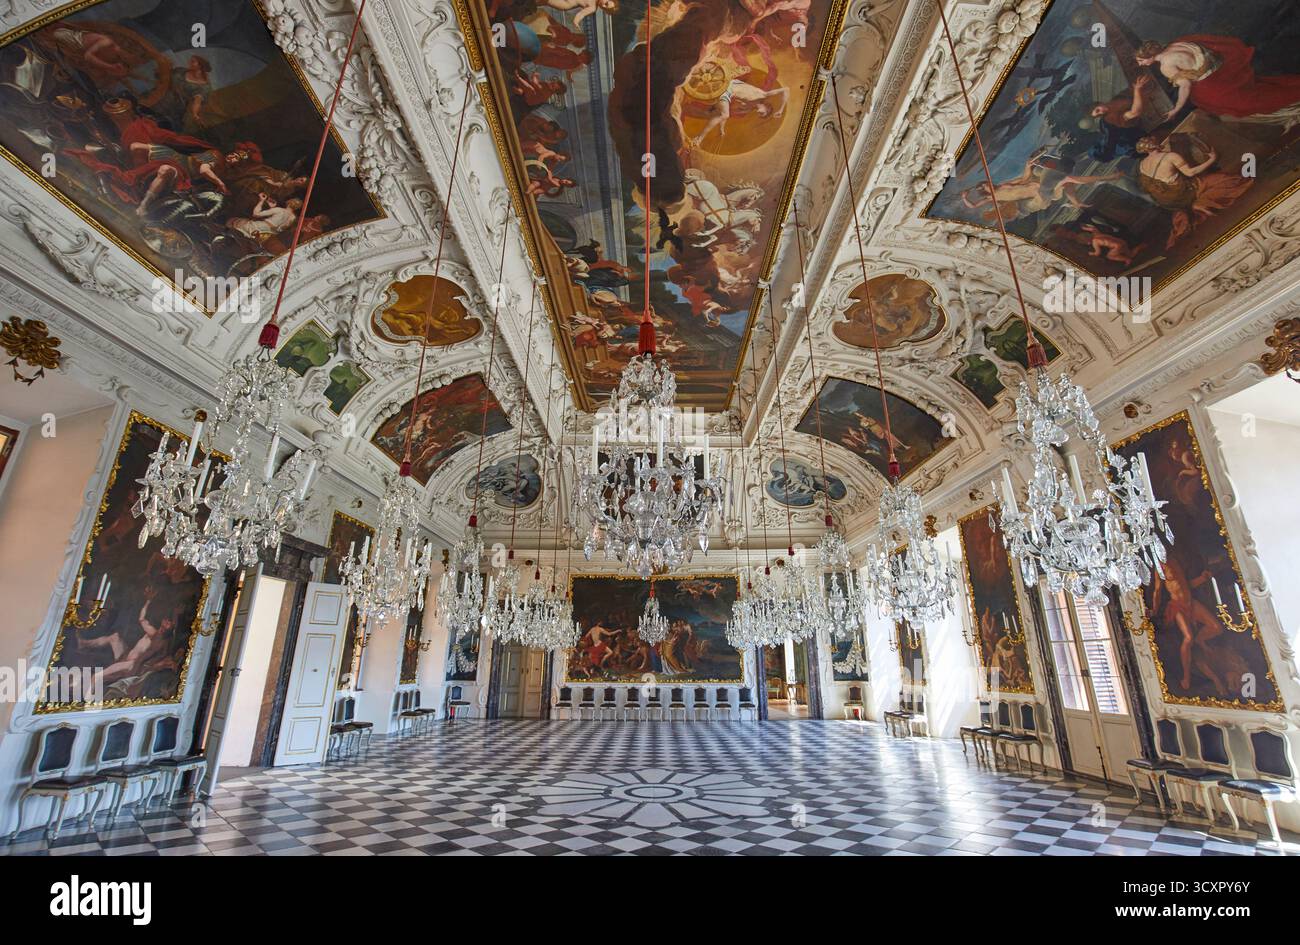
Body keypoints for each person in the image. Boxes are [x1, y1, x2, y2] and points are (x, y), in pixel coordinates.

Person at [1136, 35, 1300, 129]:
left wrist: (1176, 109)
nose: (1141, 64)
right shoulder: (1177, 44)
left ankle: (1291, 104)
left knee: (1242, 103)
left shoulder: (1166, 66)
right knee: (1257, 90)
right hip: (1221, 72)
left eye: (1141, 61)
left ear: (1149, 56)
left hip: (1215, 85)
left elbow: (1185, 85)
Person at [1135, 135, 1253, 247]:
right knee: (1225, 179)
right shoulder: (1170, 156)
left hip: (1167, 201)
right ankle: (1199, 203)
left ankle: (1189, 208)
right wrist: (1212, 159)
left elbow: (1147, 186)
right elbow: (1190, 173)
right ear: (1155, 144)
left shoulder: (1142, 164)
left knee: (1199, 182)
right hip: (1183, 192)